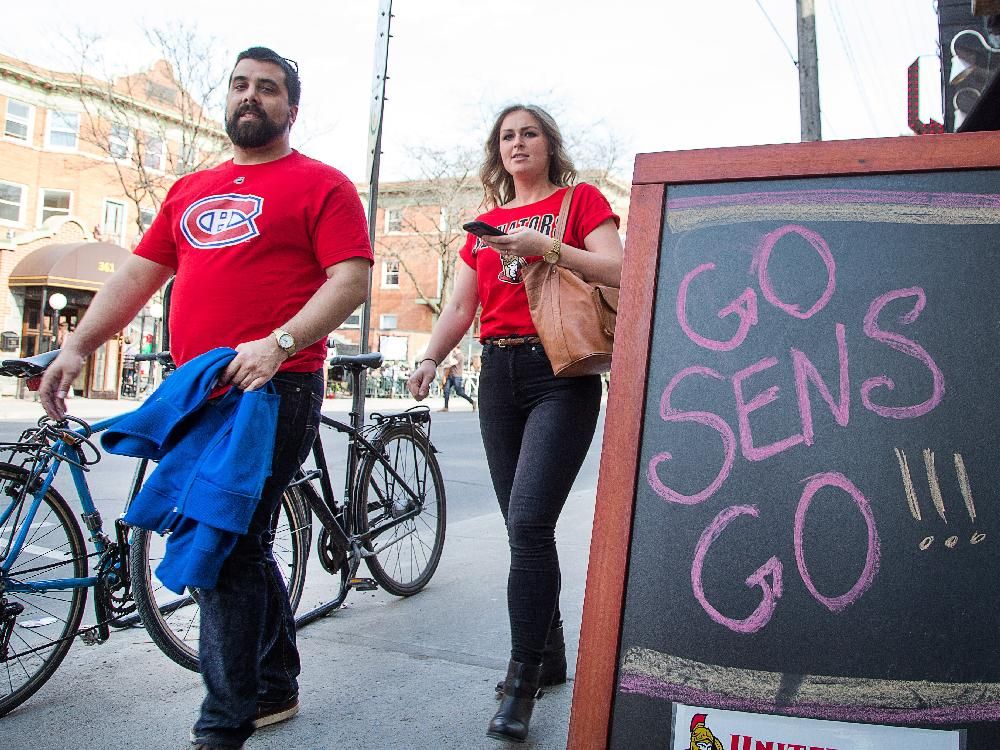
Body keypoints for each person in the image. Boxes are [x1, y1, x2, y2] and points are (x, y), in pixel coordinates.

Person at [38, 46, 372, 750]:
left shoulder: (323, 184)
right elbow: (136, 277)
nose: (251, 97)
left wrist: (279, 342)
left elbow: (349, 281)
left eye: (268, 88)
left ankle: (222, 725)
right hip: (198, 391)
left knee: (223, 542)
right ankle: (273, 684)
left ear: (291, 108)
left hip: (275, 387)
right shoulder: (190, 189)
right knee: (244, 541)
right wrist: (78, 346)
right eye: (240, 85)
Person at [407, 104, 623, 743]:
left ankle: (521, 680)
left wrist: (547, 248)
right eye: (507, 136)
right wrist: (430, 358)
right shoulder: (486, 220)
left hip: (561, 371)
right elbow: (461, 304)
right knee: (519, 527)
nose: (518, 143)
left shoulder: (580, 202)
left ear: (550, 144)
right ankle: (548, 652)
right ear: (497, 150)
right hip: (496, 376)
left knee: (529, 522)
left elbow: (622, 270)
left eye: (529, 133)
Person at [438, 345, 475, 411]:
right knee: (446, 390)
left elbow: (451, 362)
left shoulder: (460, 356)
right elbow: (449, 364)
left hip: (457, 376)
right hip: (450, 375)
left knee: (459, 392)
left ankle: (472, 402)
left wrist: (450, 353)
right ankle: (446, 407)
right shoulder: (455, 356)